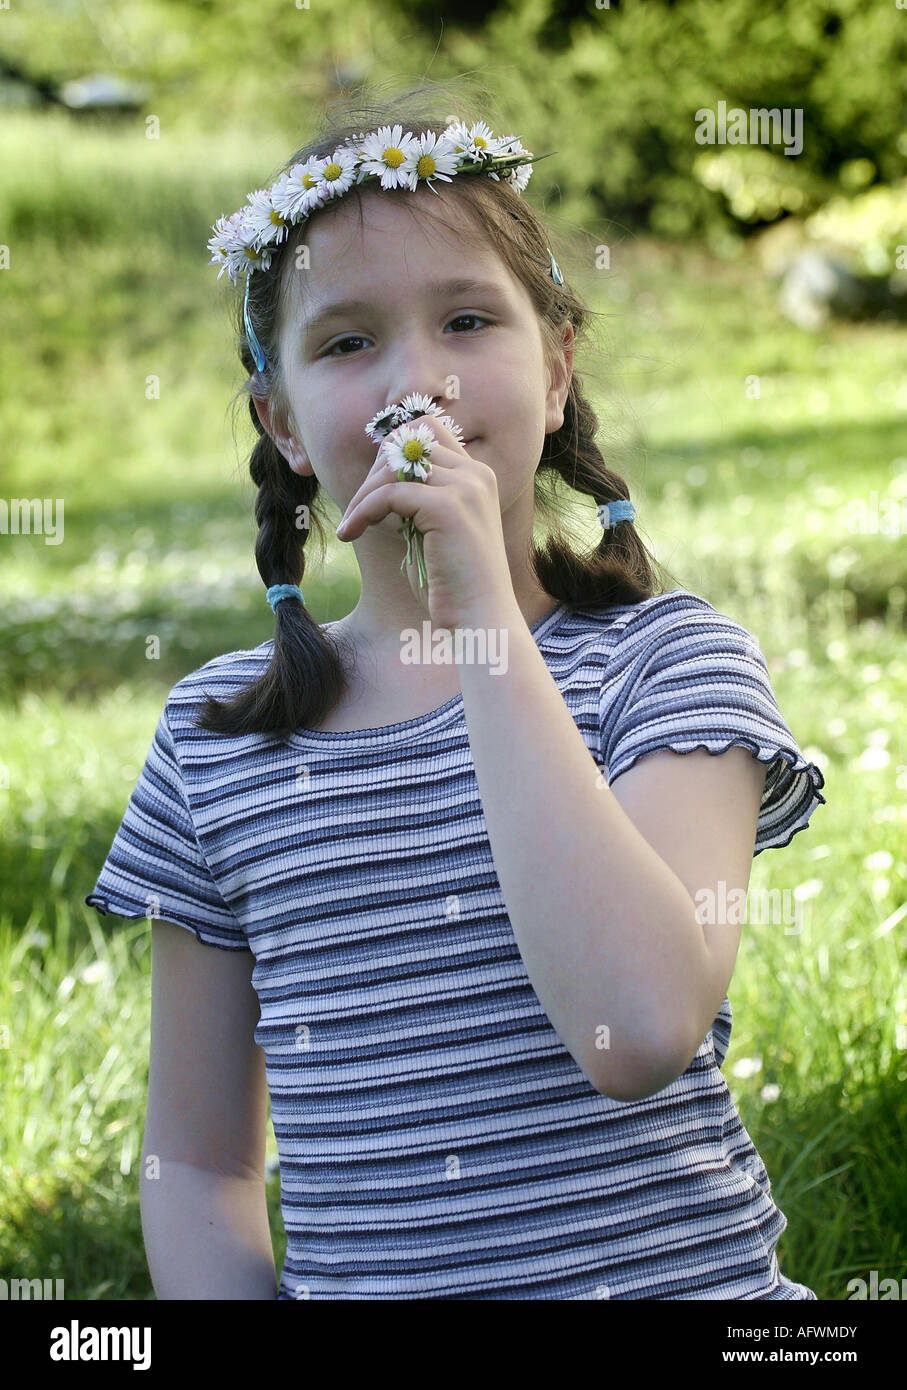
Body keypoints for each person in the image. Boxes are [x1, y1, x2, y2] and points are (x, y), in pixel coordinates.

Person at [85, 86, 826, 1300]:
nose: (413, 382)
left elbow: (633, 1031)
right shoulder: (216, 741)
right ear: (279, 421)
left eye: (469, 320)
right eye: (345, 342)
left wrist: (483, 616)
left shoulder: (670, 666)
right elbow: (198, 1161)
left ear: (555, 370)